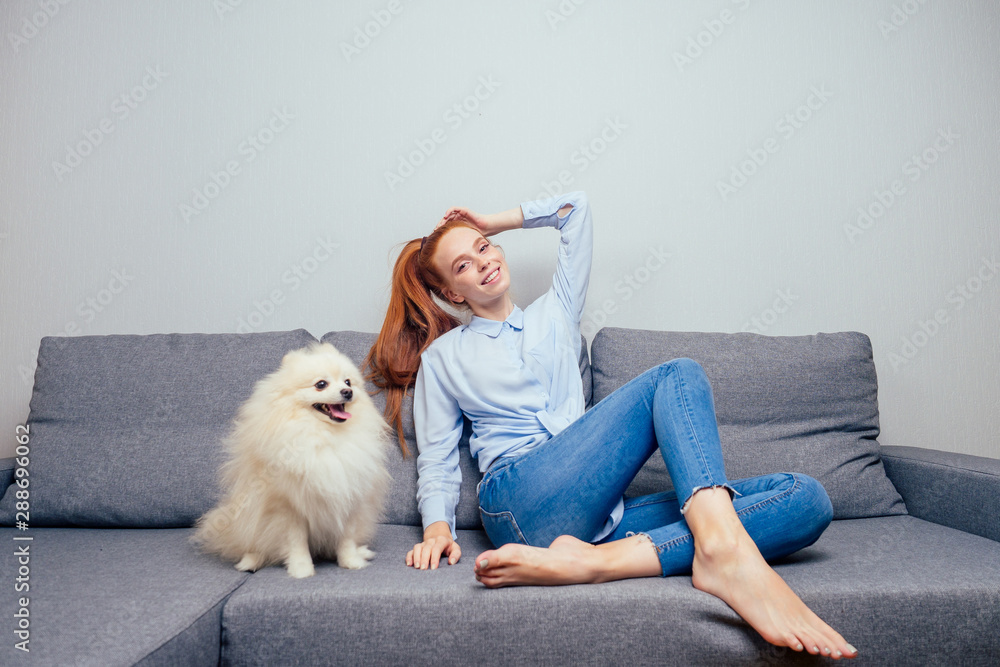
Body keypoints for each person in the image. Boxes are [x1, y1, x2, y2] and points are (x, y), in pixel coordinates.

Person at [364, 191, 858, 659]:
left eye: (485, 247)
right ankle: (725, 553)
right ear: (451, 291)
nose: (484, 261)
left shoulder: (555, 312)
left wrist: (490, 220)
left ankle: (598, 562)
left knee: (805, 498)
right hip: (518, 501)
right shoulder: (444, 357)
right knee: (678, 375)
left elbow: (574, 209)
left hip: (596, 518)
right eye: (463, 266)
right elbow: (438, 457)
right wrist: (435, 530)